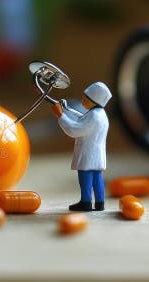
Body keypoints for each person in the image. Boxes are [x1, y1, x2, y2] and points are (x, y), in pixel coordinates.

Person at [51, 82, 111, 211]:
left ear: (94, 101)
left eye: (85, 99)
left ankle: (86, 202)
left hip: (88, 154)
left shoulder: (94, 116)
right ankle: (100, 203)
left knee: (85, 178)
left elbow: (75, 129)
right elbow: (82, 119)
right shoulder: (100, 114)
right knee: (97, 178)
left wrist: (60, 115)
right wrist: (65, 110)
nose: (82, 101)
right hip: (96, 154)